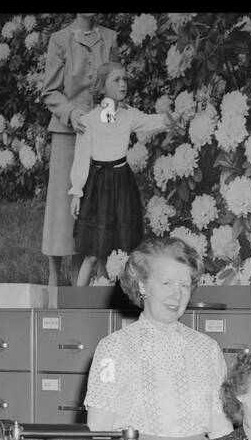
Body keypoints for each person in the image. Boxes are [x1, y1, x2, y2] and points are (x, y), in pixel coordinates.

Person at [83, 237, 232, 440]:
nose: (177, 295)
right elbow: (97, 433)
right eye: (166, 284)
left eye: (185, 285)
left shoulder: (207, 349)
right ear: (141, 285)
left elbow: (220, 430)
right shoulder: (111, 350)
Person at [69, 62, 174, 286]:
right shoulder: (88, 121)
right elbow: (81, 159)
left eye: (124, 79)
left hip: (122, 184)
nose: (123, 84)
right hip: (98, 188)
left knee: (126, 245)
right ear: (103, 86)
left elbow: (152, 121)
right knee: (93, 252)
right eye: (116, 80)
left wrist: (172, 120)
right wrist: (77, 191)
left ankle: (125, 298)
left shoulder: (128, 116)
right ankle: (77, 303)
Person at [39, 13, 117, 293]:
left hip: (99, 134)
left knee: (94, 204)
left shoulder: (109, 38)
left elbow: (114, 86)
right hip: (67, 134)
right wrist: (72, 113)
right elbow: (49, 91)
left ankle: (89, 276)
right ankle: (53, 277)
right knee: (62, 206)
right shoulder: (60, 40)